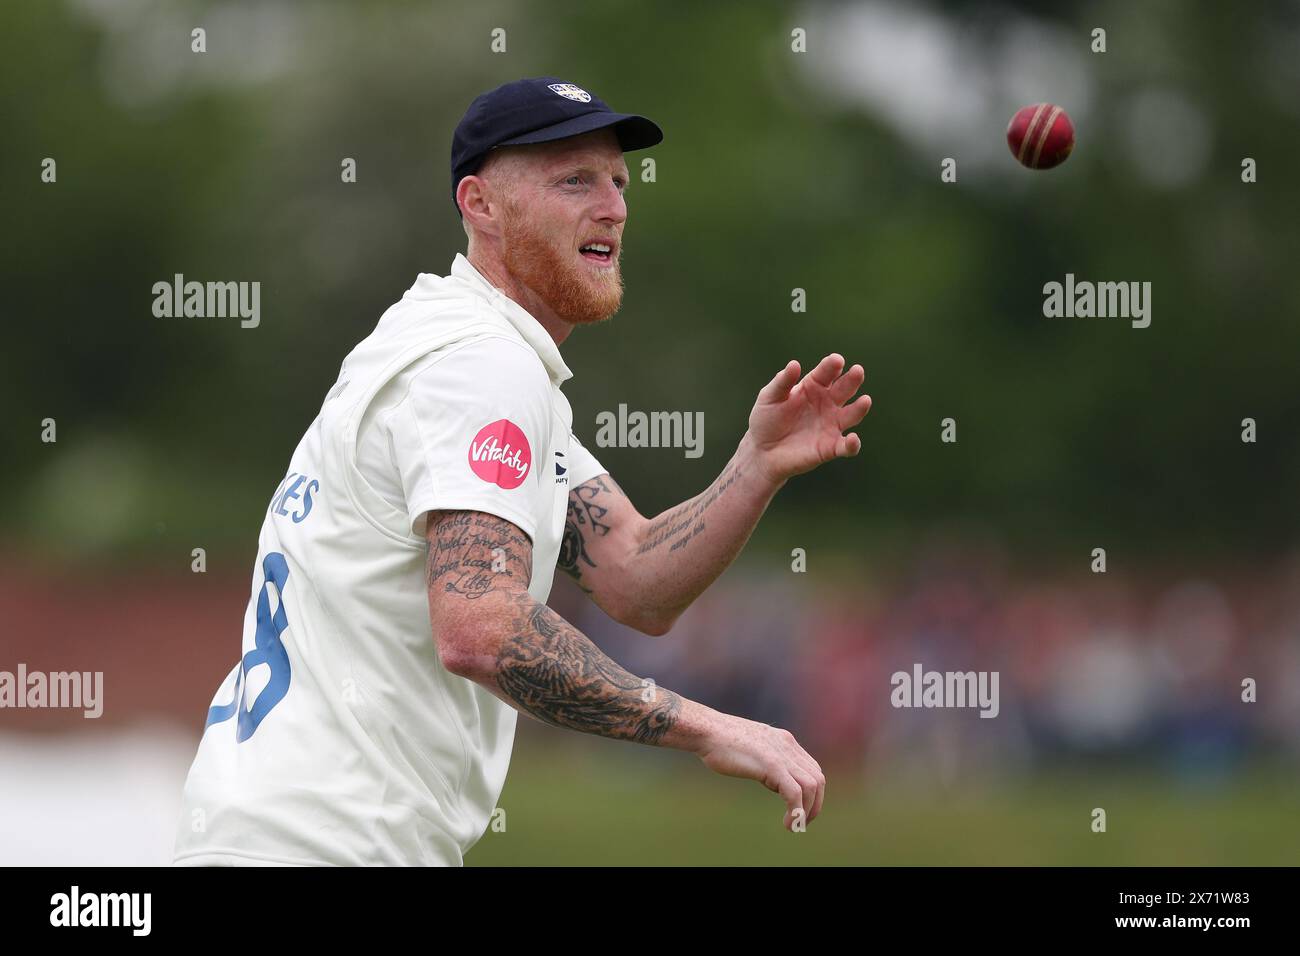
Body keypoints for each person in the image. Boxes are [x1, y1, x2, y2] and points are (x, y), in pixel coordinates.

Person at [173, 77, 871, 866]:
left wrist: (757, 464)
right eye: (574, 179)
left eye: (618, 181)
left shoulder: (462, 346)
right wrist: (710, 727)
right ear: (480, 204)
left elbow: (634, 579)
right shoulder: (481, 366)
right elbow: (482, 629)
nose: (613, 206)